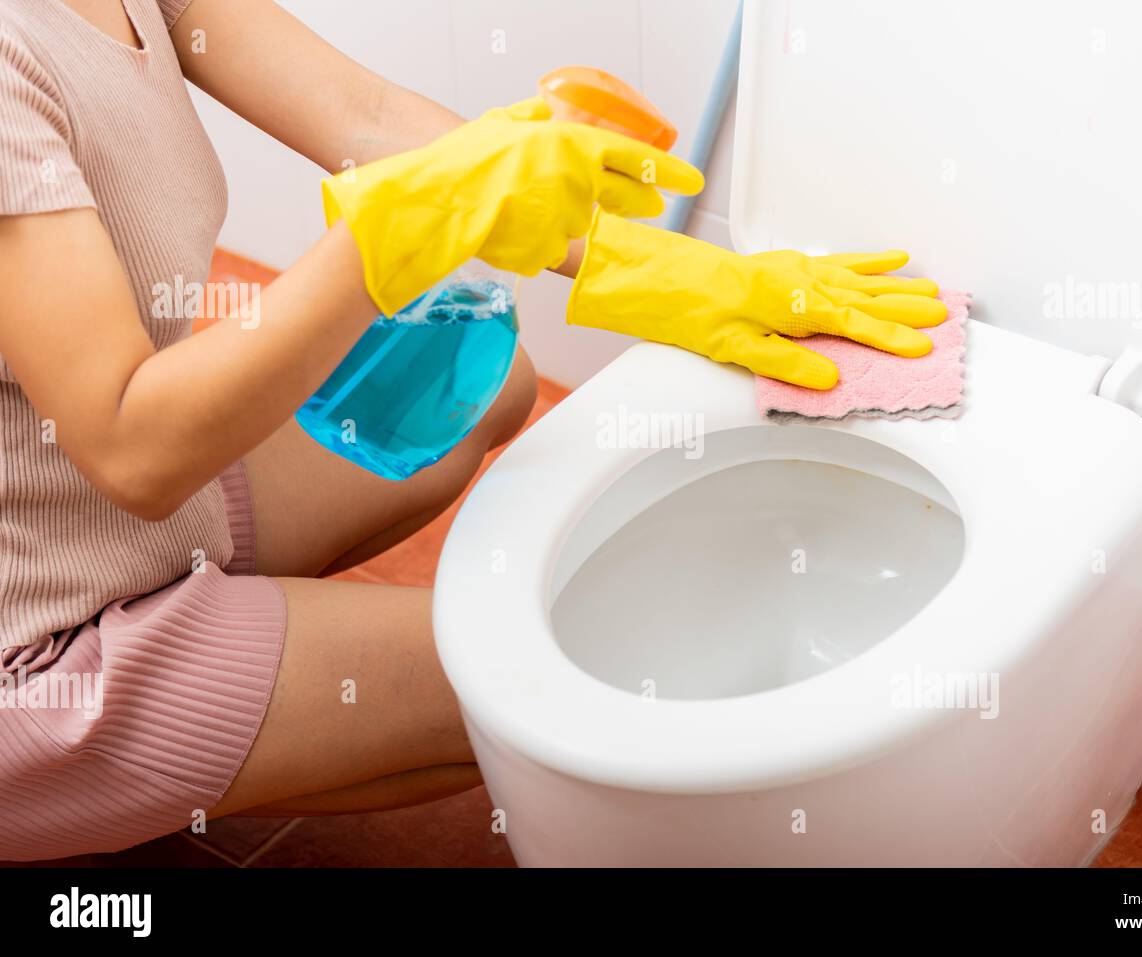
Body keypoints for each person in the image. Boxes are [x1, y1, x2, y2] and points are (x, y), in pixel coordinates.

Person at [0, 0, 944, 861]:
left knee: (486, 388)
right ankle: (155, 737)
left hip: (97, 513)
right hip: (37, 640)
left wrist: (664, 272)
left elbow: (364, 114)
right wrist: (391, 237)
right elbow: (132, 446)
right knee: (541, 698)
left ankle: (230, 685)